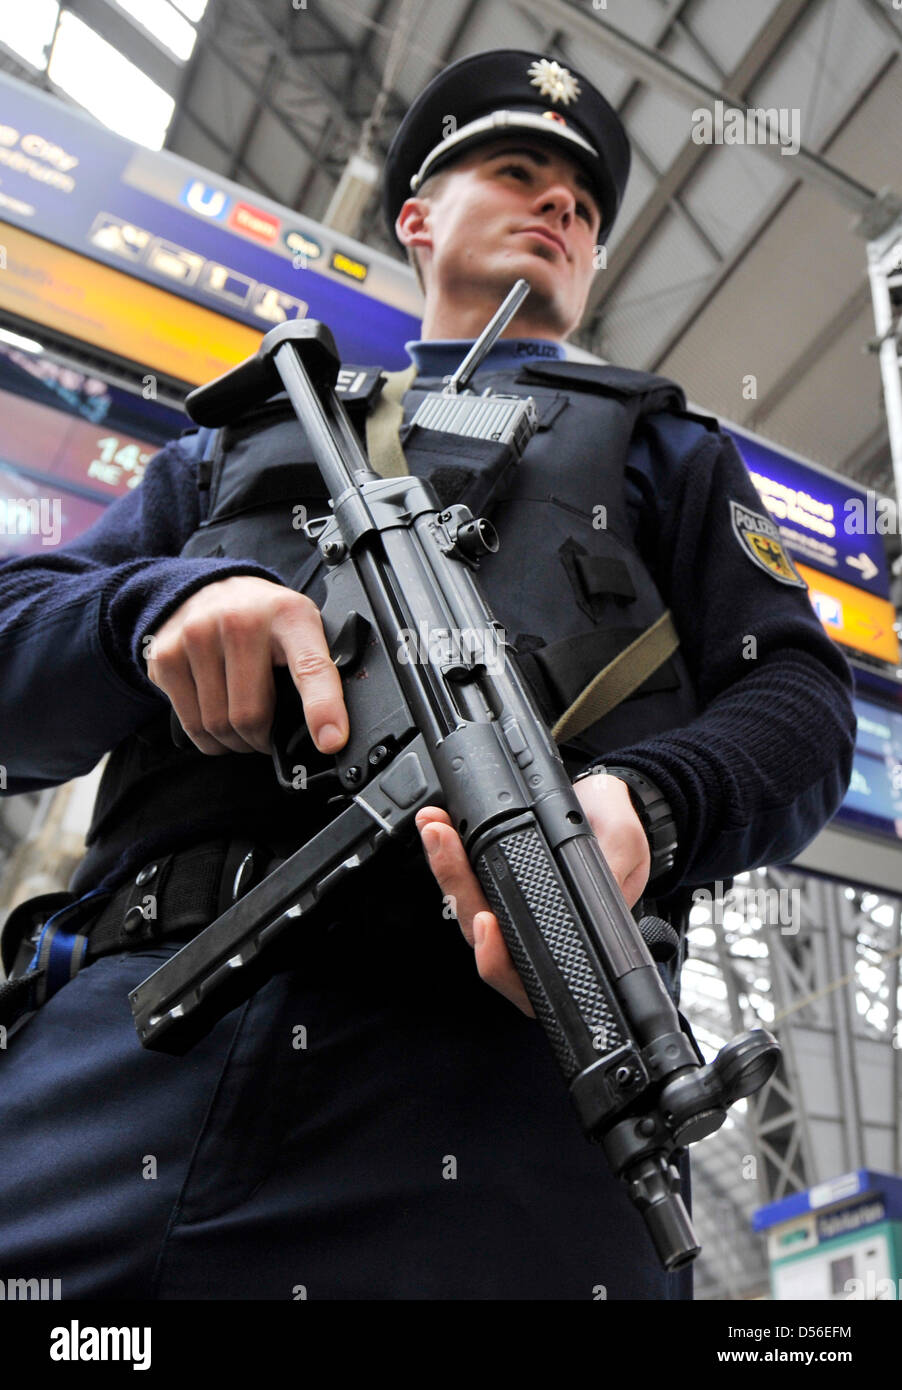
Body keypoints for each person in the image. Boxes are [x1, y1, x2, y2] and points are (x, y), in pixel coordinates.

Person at [0, 49, 854, 1301]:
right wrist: (160, 605)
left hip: (519, 1084)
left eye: (582, 203)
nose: (559, 205)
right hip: (131, 1064)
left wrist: (650, 804)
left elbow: (798, 704)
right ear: (415, 220)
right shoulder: (246, 439)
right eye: (517, 170)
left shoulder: (664, 446)